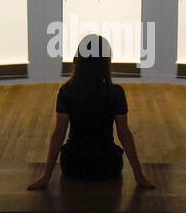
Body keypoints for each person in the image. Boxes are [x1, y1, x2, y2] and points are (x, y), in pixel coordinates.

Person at [27, 34, 155, 193]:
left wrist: (46, 176)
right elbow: (124, 134)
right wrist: (139, 175)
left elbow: (58, 134)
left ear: (79, 60)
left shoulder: (67, 91)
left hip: (74, 165)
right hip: (107, 165)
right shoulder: (115, 93)